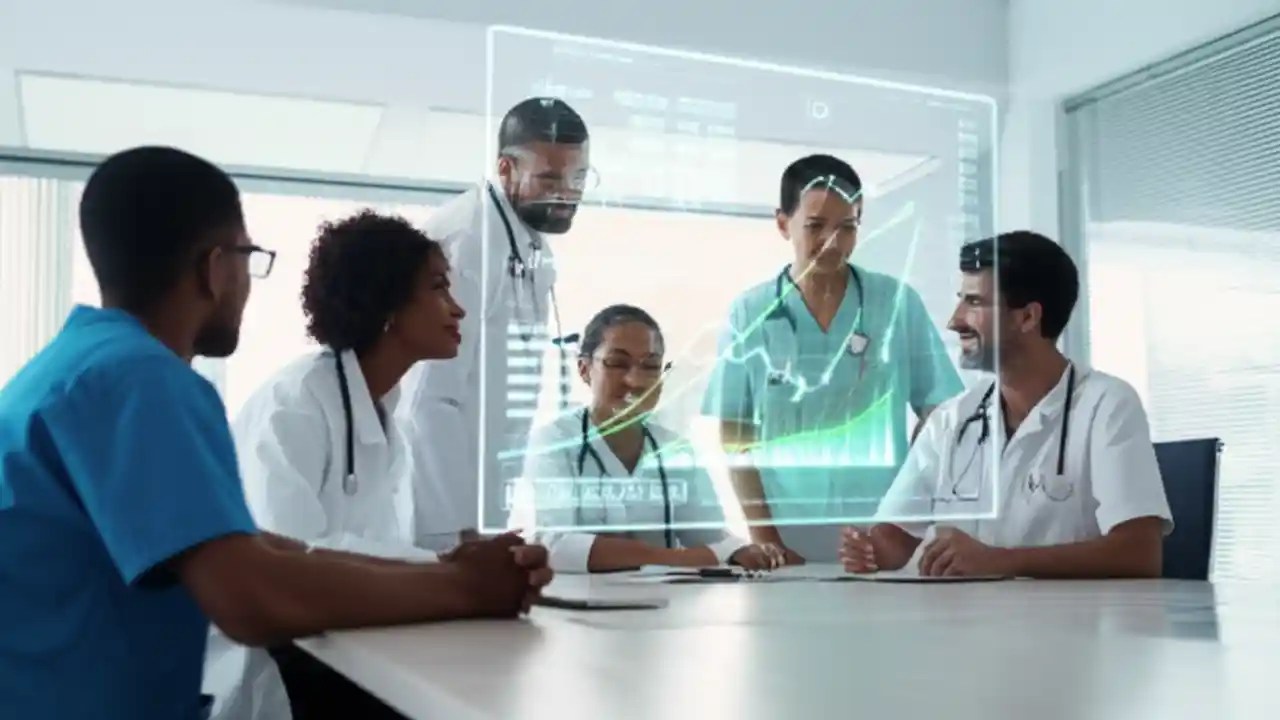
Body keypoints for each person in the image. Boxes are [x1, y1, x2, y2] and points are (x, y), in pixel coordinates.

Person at [0, 146, 551, 720]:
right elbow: (250, 595)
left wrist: (449, 571)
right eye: (248, 257)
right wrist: (466, 589)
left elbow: (263, 548)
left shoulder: (78, 367)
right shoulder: (141, 379)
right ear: (215, 268)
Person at [205, 211, 466, 720]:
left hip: (344, 664)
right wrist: (450, 574)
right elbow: (288, 567)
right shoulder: (296, 404)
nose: (457, 310)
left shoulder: (386, 416)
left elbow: (379, 556)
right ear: (388, 304)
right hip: (274, 684)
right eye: (438, 288)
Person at [840, 231, 1172, 579]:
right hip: (971, 626)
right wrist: (870, 549)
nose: (954, 320)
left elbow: (1139, 553)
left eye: (974, 303)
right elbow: (895, 538)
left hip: (1071, 628)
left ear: (1028, 317)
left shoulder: (1108, 406)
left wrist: (1003, 560)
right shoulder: (950, 420)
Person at [701, 154, 963, 564]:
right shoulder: (749, 312)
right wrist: (765, 536)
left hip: (882, 535)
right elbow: (735, 433)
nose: (832, 241)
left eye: (847, 227)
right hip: (785, 532)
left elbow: (941, 410)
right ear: (783, 223)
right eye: (815, 226)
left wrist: (903, 508)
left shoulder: (895, 304)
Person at [399, 97, 592, 551]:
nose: (568, 192)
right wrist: (460, 534)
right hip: (441, 526)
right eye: (549, 178)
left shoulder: (527, 242)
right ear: (505, 169)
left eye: (579, 177)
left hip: (481, 513)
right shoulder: (467, 239)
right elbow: (428, 400)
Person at [510, 305, 780, 572]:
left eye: (650, 366)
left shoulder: (676, 449)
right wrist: (678, 558)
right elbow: (554, 545)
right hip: (577, 609)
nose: (635, 380)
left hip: (660, 609)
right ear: (584, 369)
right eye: (617, 363)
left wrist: (742, 550)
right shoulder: (554, 442)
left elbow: (711, 537)